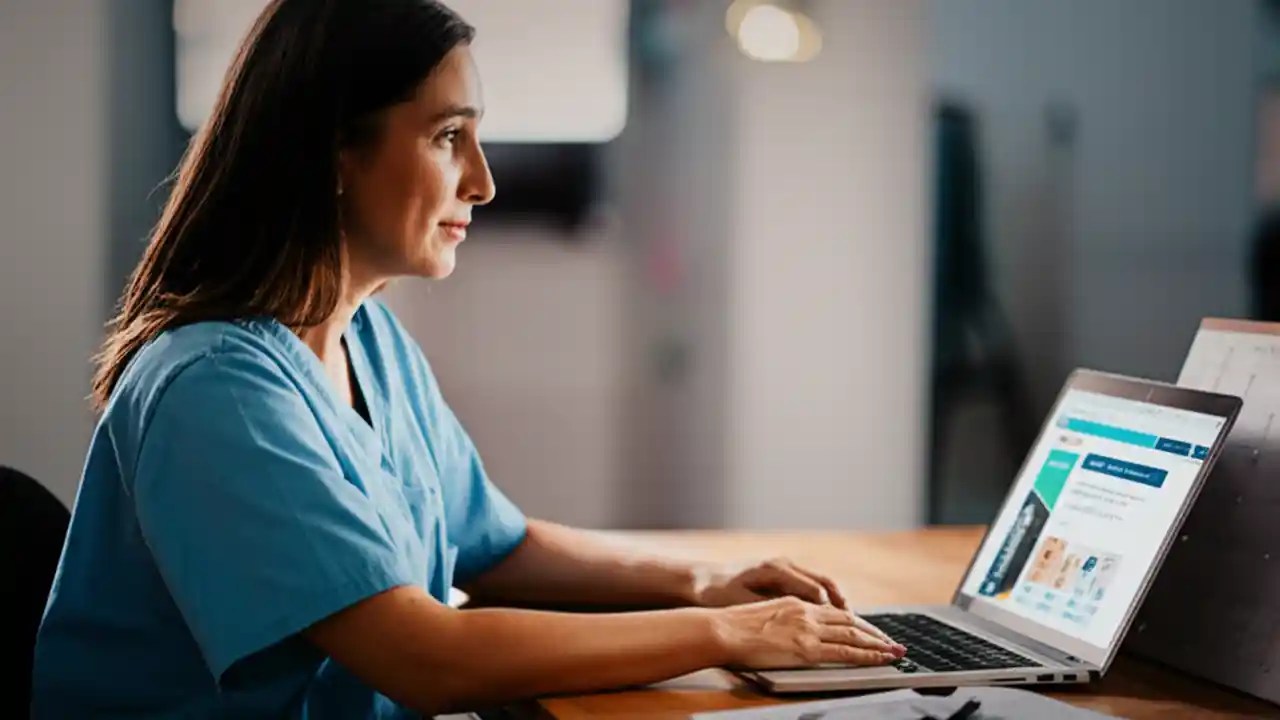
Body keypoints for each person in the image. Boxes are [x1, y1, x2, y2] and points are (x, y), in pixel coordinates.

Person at [32, 1, 905, 716]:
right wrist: (724, 636)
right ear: (333, 152)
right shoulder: (216, 391)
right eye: (448, 136)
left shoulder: (368, 340)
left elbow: (500, 547)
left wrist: (709, 584)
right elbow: (426, 658)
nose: (482, 180)